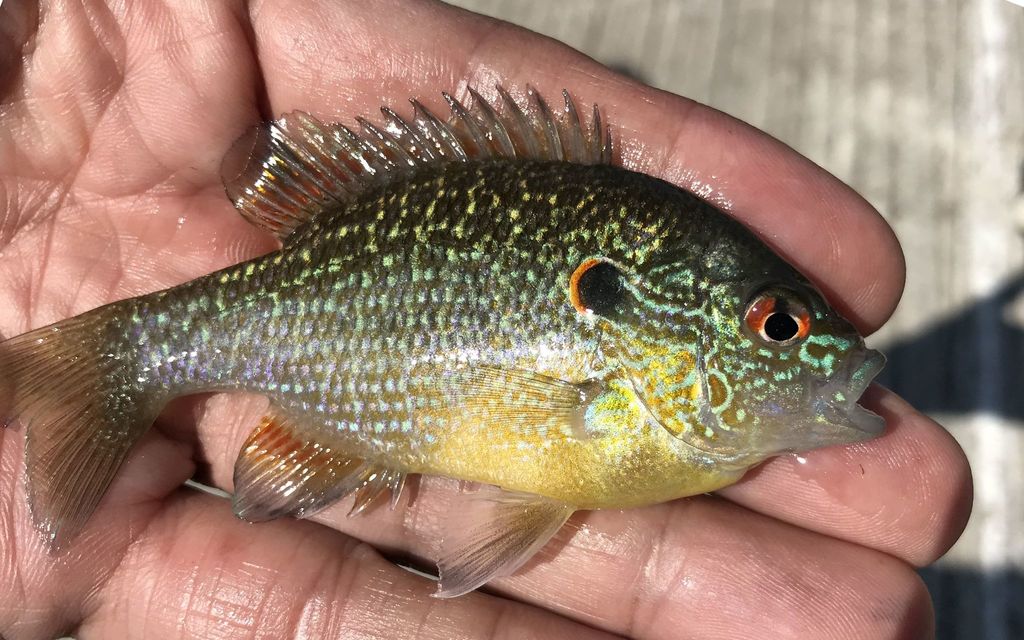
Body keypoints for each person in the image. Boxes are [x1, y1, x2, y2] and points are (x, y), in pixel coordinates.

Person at [0, 0, 971, 638]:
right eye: (777, 328)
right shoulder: (648, 423)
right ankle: (87, 372)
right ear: (683, 320)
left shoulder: (674, 431)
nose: (827, 358)